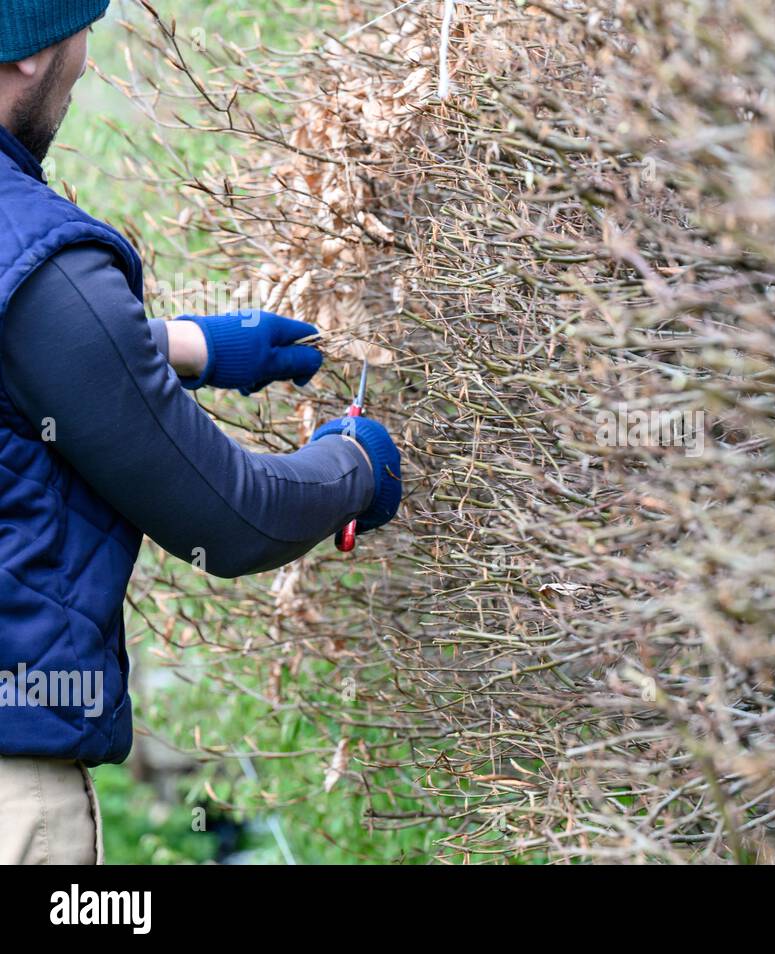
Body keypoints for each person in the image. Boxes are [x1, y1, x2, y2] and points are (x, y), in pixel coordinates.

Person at [0, 0, 402, 864]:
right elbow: (230, 517)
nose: (81, 64)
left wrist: (187, 346)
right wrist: (357, 468)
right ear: (29, 55)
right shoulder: (37, 257)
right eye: (81, 37)